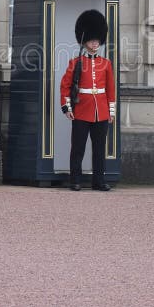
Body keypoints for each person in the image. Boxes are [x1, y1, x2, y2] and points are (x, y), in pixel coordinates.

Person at [60, 10, 116, 191]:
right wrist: (67, 107)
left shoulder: (106, 63)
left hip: (101, 110)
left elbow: (110, 89)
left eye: (97, 40)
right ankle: (75, 180)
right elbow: (65, 86)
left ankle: (98, 181)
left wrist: (111, 111)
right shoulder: (75, 62)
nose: (95, 43)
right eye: (92, 40)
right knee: (78, 148)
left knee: (99, 150)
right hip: (82, 110)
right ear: (85, 42)